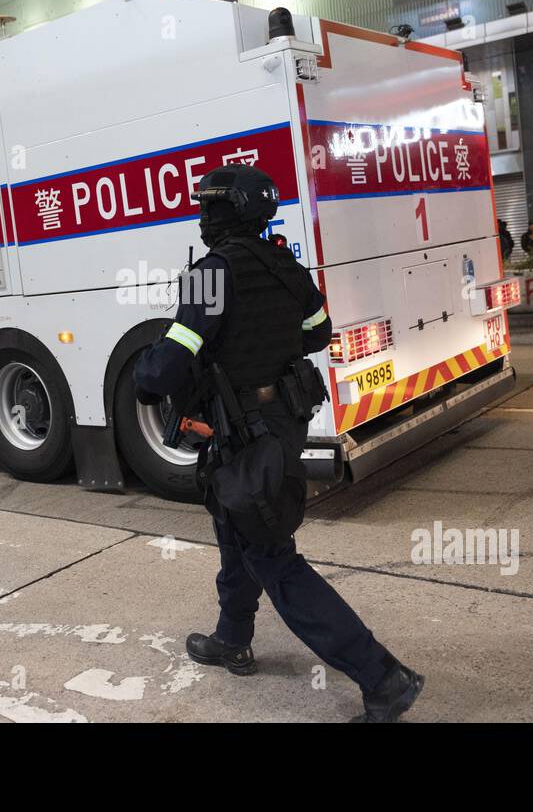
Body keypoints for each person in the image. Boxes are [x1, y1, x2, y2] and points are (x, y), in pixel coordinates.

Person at [134, 164, 424, 723]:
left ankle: (382, 677)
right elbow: (318, 331)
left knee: (272, 556)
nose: (201, 215)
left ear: (221, 211)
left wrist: (154, 368)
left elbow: (162, 369)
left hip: (244, 431)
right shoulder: (284, 263)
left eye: (206, 205)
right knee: (233, 521)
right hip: (280, 423)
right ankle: (232, 636)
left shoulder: (211, 275)